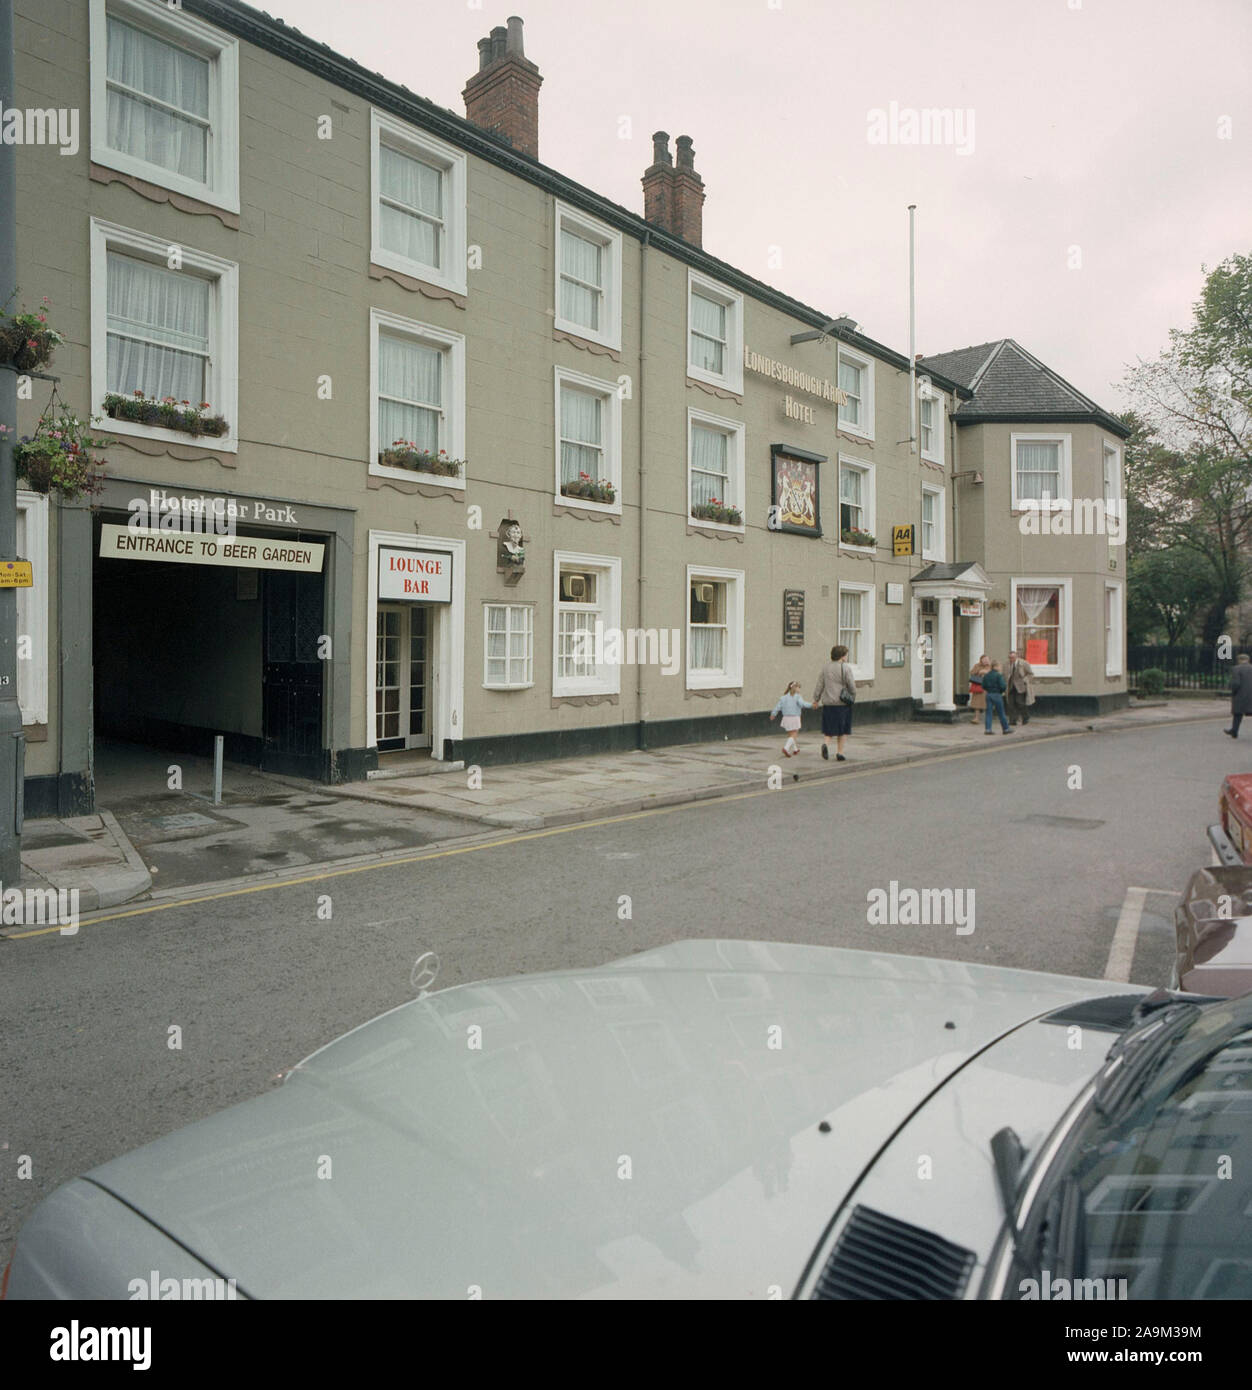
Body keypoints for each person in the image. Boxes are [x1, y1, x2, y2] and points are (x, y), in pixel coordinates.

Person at [812, 644, 856, 761]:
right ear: (842, 656)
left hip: (828, 704)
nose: (846, 657)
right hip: (842, 703)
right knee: (843, 729)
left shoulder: (825, 668)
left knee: (829, 728)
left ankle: (825, 744)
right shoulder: (845, 668)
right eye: (846, 655)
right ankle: (840, 753)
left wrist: (816, 699)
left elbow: (819, 685)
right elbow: (852, 686)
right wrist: (853, 695)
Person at [770, 680, 808, 757]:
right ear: (795, 688)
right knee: (794, 734)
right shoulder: (798, 697)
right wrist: (811, 705)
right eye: (798, 687)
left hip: (786, 718)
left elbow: (778, 706)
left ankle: (795, 749)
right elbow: (802, 704)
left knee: (791, 734)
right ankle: (786, 748)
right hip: (795, 717)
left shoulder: (783, 697)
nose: (799, 689)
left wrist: (773, 714)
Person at [1005, 649, 1036, 725]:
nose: (1011, 659)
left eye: (1013, 657)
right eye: (1010, 658)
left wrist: (1025, 680)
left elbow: (1030, 674)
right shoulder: (1007, 664)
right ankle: (1013, 720)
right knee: (1011, 704)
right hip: (1011, 686)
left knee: (1020, 703)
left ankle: (1025, 718)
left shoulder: (1024, 663)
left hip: (1020, 686)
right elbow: (1004, 674)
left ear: (1017, 657)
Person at [980, 660, 1011, 734]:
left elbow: (983, 686)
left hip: (989, 694)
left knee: (988, 713)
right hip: (997, 694)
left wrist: (988, 690)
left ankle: (988, 729)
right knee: (1001, 713)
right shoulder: (998, 675)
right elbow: (1003, 686)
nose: (1000, 668)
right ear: (995, 666)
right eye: (999, 666)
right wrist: (1001, 691)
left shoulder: (986, 675)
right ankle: (1006, 729)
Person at [1227, 653, 1252, 737]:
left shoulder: (1236, 669)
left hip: (1241, 695)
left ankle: (1234, 731)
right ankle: (1233, 730)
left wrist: (1233, 692)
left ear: (1239, 660)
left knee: (1237, 713)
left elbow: (1236, 683)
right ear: (1248, 660)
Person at [968, 654, 991, 724]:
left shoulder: (991, 666)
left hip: (988, 687)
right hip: (978, 686)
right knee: (977, 703)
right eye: (984, 660)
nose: (985, 661)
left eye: (987, 659)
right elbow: (971, 673)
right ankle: (976, 718)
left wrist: (987, 672)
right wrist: (979, 672)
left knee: (987, 703)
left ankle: (988, 718)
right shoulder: (977, 665)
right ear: (981, 660)